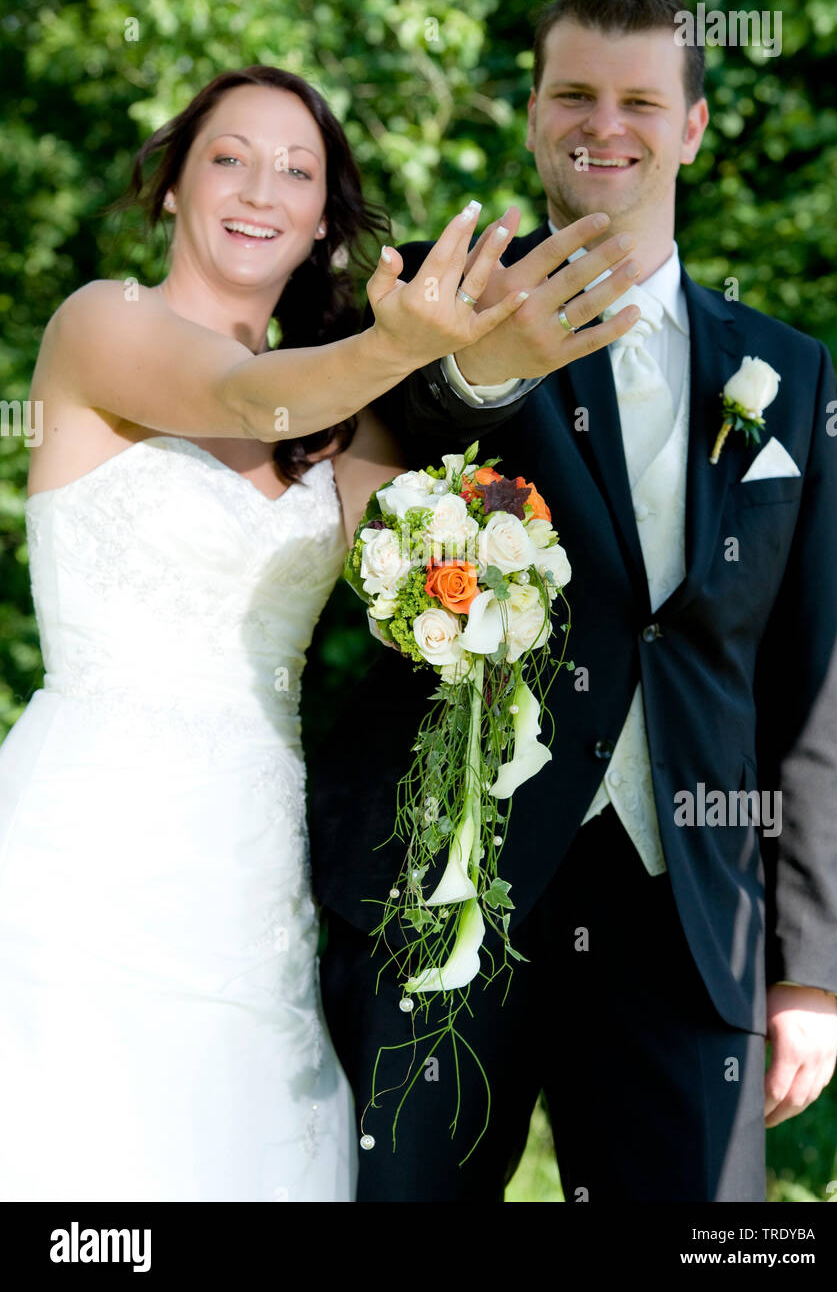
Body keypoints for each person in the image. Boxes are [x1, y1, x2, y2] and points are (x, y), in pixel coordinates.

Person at [0, 63, 639, 1201]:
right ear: (172, 188)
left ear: (319, 224)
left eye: (296, 172)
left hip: (252, 866)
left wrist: (489, 369)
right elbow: (252, 399)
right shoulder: (104, 325)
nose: (261, 188)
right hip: (86, 845)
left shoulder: (335, 424)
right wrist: (402, 345)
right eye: (229, 157)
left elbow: (415, 532)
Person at [310, 0, 837, 1202]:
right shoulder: (436, 301)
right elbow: (392, 446)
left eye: (639, 101)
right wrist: (482, 368)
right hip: (458, 889)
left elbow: (813, 675)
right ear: (531, 112)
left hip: (691, 915)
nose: (602, 127)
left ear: (694, 126)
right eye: (573, 94)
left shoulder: (788, 370)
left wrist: (810, 967)